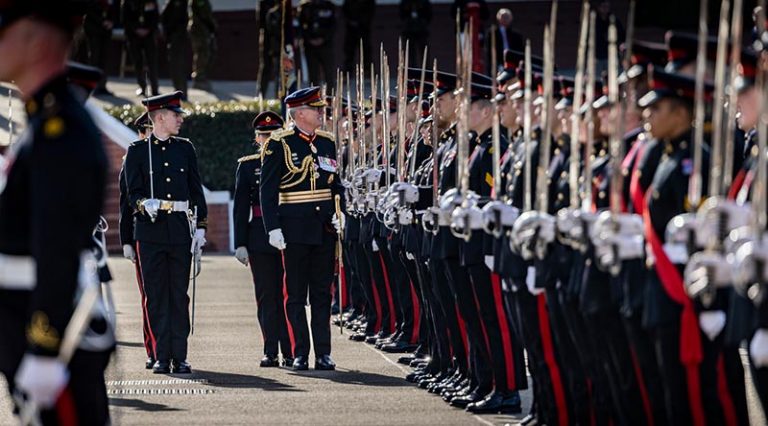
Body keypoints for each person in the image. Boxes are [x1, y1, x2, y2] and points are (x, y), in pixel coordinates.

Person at [0, 1, 112, 423]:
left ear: (35, 37)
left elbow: (57, 248)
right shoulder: (43, 122)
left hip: (53, 342)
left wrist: (44, 350)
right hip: (30, 332)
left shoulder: (59, 131)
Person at [124, 90, 208, 374]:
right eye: (175, 115)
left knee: (178, 295)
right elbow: (131, 193)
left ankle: (180, 356)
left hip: (179, 230)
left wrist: (202, 229)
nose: (180, 120)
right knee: (157, 295)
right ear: (159, 117)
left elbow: (196, 191)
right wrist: (141, 203)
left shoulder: (185, 148)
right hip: (150, 231)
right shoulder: (137, 151)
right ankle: (161, 355)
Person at [259, 87, 344, 370]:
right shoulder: (278, 144)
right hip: (293, 229)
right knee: (295, 295)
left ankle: (323, 352)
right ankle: (299, 352)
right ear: (299, 114)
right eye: (315, 108)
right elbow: (267, 191)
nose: (321, 112)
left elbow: (336, 184)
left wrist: (340, 212)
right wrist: (273, 228)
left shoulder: (327, 142)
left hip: (323, 229)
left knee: (322, 293)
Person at [233, 111, 294, 368]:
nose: (268, 139)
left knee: (291, 295)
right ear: (256, 138)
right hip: (259, 236)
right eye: (264, 135)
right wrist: (240, 243)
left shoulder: (294, 161)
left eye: (273, 134)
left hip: (290, 233)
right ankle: (271, 349)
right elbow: (240, 207)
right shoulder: (248, 165)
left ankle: (291, 350)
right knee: (267, 296)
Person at [120, 112, 156, 369]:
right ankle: (153, 349)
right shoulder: (132, 159)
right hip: (141, 232)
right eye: (147, 130)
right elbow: (125, 204)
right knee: (149, 295)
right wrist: (126, 241)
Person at [122, 0, 161, 97]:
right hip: (133, 36)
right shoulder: (128, 2)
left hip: (149, 36)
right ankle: (142, 87)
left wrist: (148, 29)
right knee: (137, 62)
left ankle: (155, 88)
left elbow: (156, 17)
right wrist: (136, 29)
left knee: (152, 63)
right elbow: (125, 18)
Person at [82, 0, 119, 95]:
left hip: (107, 31)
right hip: (94, 29)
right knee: (94, 57)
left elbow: (117, 10)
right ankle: (91, 86)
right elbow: (89, 10)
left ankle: (102, 85)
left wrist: (112, 22)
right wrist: (102, 21)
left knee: (105, 59)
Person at [298, 0, 336, 87]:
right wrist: (309, 39)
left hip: (326, 45)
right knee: (313, 75)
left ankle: (330, 98)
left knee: (329, 74)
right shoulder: (305, 7)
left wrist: (323, 39)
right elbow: (301, 27)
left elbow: (333, 26)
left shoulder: (328, 6)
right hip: (310, 46)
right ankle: (314, 98)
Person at [161, 0, 190, 96]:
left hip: (179, 38)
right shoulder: (171, 4)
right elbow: (164, 18)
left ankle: (182, 91)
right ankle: (179, 89)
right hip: (173, 38)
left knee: (179, 66)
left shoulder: (182, 4)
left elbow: (181, 20)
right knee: (175, 66)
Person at [188, 0, 217, 92]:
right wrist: (212, 25)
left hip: (203, 30)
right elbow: (204, 15)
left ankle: (201, 76)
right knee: (202, 53)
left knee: (206, 53)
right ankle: (199, 78)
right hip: (199, 30)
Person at [487, 9, 524, 74]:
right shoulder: (492, 33)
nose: (504, 19)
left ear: (510, 19)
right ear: (498, 18)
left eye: (507, 17)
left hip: (512, 62)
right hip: (498, 62)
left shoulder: (516, 35)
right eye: (503, 17)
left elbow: (520, 50)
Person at [342, 0, 375, 73]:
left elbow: (371, 12)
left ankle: (368, 72)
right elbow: (344, 11)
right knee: (349, 53)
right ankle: (348, 72)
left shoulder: (368, 2)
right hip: (351, 30)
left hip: (364, 30)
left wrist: (361, 22)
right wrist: (351, 21)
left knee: (366, 52)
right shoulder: (349, 2)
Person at [399, 0, 432, 67]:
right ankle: (412, 69)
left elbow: (429, 14)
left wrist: (423, 22)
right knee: (410, 52)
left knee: (424, 51)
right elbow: (402, 14)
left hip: (421, 30)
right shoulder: (405, 3)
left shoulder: (424, 3)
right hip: (409, 30)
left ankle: (426, 69)